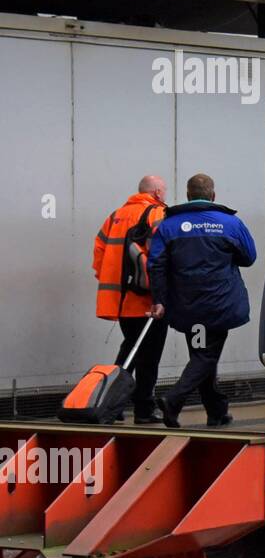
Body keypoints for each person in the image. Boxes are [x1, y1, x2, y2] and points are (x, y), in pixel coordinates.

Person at [148, 173, 257, 428]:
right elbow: (249, 257)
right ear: (213, 195)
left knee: (201, 353)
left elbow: (156, 265)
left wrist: (159, 300)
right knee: (206, 356)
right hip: (219, 303)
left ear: (187, 196)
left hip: (187, 305)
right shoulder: (230, 223)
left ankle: (216, 412)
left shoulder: (168, 226)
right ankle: (173, 399)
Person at [92, 176, 170, 424]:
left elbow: (98, 254)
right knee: (148, 357)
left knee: (129, 353)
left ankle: (110, 404)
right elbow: (165, 255)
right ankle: (144, 410)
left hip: (122, 300)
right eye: (164, 191)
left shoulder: (116, 215)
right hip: (149, 301)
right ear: (157, 192)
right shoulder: (158, 213)